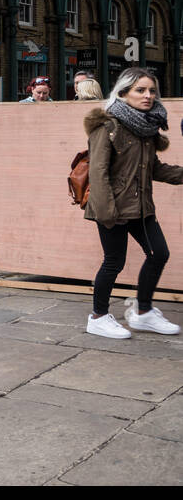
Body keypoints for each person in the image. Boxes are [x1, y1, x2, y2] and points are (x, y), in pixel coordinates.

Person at [83, 67, 183, 339]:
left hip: (141, 208)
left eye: (152, 90)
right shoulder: (107, 126)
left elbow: (155, 169)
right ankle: (98, 317)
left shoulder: (147, 128)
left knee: (159, 253)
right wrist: (107, 213)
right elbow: (98, 172)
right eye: (140, 90)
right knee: (113, 262)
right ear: (124, 93)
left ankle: (143, 313)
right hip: (112, 209)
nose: (148, 95)